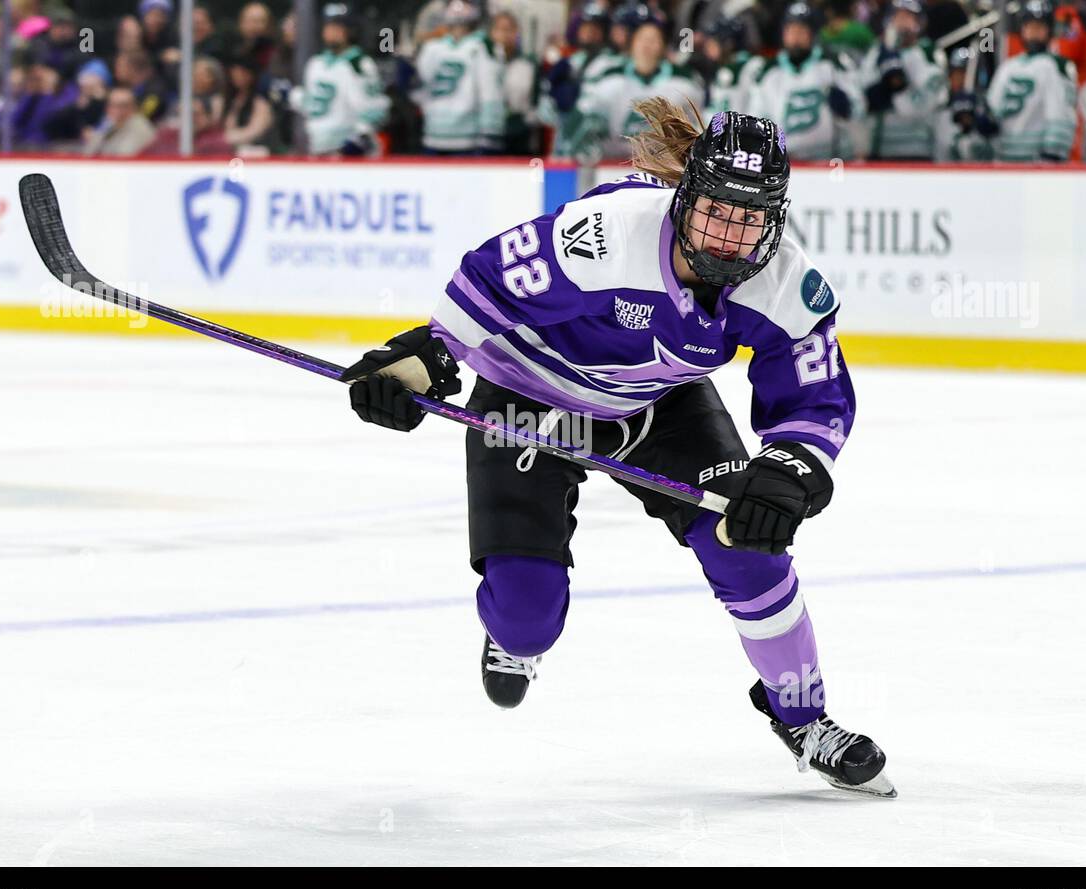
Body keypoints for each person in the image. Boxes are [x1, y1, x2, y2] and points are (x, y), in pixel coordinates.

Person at [336, 99, 895, 799]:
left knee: (750, 551)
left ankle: (805, 721)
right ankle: (514, 634)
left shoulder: (787, 282)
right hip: (529, 396)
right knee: (527, 614)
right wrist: (422, 359)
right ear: (683, 198)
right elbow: (488, 280)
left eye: (750, 218)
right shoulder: (603, 236)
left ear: (775, 217)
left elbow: (813, 395)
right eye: (717, 211)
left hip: (661, 405)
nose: (729, 237)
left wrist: (790, 470)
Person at [573, 16, 704, 160]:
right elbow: (584, 119)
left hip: (666, 169)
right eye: (642, 39)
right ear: (632, 44)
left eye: (653, 40)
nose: (646, 45)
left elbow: (698, 129)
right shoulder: (609, 79)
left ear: (663, 46)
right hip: (614, 164)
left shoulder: (684, 81)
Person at [748, 3, 863, 161]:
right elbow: (756, 120)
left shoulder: (833, 64)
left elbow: (859, 107)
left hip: (832, 160)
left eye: (802, 31)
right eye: (791, 30)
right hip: (785, 163)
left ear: (812, 34)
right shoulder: (768, 72)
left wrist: (847, 106)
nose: (796, 37)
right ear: (783, 34)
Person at [985, 0, 1078, 161]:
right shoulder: (1008, 67)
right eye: (1030, 27)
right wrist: (984, 122)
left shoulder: (1057, 66)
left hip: (1037, 161)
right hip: (1004, 160)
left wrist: (1053, 154)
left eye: (1039, 27)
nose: (1034, 32)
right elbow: (993, 111)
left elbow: (1061, 113)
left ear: (1049, 30)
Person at [295, 2, 389, 155]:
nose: (332, 32)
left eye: (339, 27)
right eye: (329, 26)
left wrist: (361, 134)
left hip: (349, 149)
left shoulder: (359, 63)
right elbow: (312, 104)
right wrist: (293, 97)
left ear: (350, 31)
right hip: (317, 147)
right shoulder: (316, 64)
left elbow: (376, 107)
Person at [859, 0, 946, 160]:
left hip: (919, 150)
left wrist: (898, 86)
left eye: (908, 17)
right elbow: (862, 99)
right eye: (898, 16)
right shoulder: (877, 53)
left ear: (919, 23)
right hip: (879, 149)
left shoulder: (929, 55)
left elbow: (923, 108)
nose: (902, 23)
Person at [415, 0, 504, 154]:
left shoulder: (481, 46)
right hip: (435, 133)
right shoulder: (433, 48)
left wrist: (490, 129)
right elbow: (421, 85)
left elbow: (490, 91)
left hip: (466, 137)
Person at [542, 3, 623, 157]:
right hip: (563, 148)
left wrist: (574, 102)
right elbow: (545, 112)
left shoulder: (615, 64)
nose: (588, 33)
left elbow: (598, 108)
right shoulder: (569, 62)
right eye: (585, 27)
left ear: (605, 32)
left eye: (595, 28)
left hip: (598, 152)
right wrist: (554, 99)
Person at [491, 9, 541, 156]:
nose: (504, 34)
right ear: (492, 32)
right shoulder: (484, 60)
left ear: (516, 32)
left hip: (520, 133)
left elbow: (535, 99)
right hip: (488, 132)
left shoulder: (528, 64)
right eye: (500, 29)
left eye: (509, 29)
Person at [933, 46, 995, 161]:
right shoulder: (940, 105)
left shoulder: (984, 106)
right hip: (943, 172)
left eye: (965, 74)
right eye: (956, 74)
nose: (961, 79)